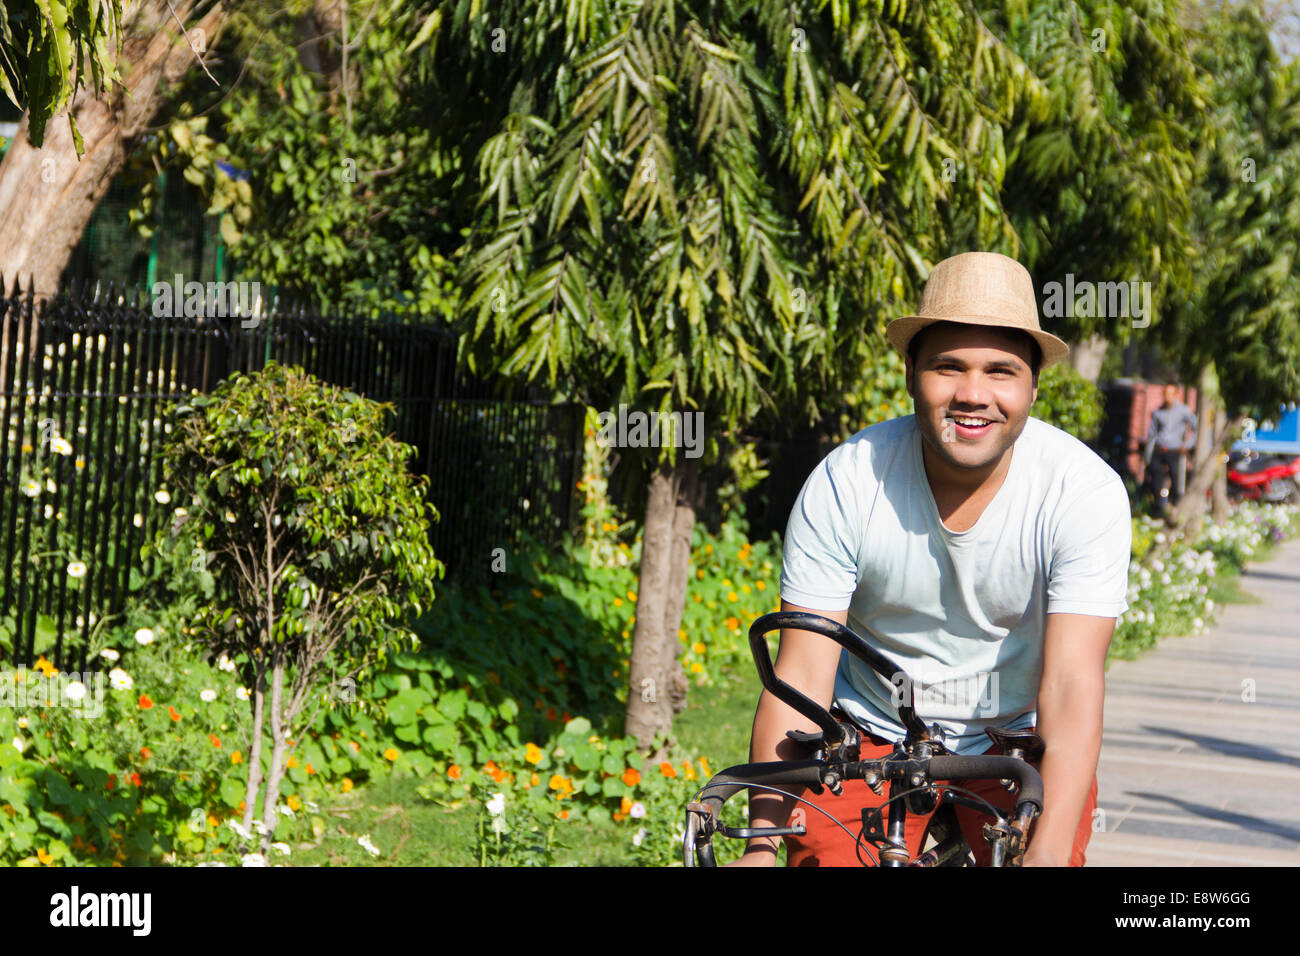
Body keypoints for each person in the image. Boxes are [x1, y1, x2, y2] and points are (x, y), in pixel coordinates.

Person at [729, 252, 1132, 867]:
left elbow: (1074, 681)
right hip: (866, 732)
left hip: (1015, 738)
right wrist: (762, 844)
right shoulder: (848, 480)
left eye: (1001, 371)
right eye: (948, 367)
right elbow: (802, 675)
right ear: (911, 369)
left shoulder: (1082, 492)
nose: (974, 395)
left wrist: (1046, 853)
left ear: (1032, 386)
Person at [1146, 385, 1198, 516]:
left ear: (1175, 395)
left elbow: (1196, 428)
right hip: (1160, 448)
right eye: (1166, 393)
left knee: (1177, 478)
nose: (1168, 396)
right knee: (1155, 476)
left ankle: (1176, 506)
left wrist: (1188, 445)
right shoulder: (1158, 412)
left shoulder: (1183, 411)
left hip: (1175, 449)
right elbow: (1152, 433)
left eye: (1171, 394)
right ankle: (1157, 508)